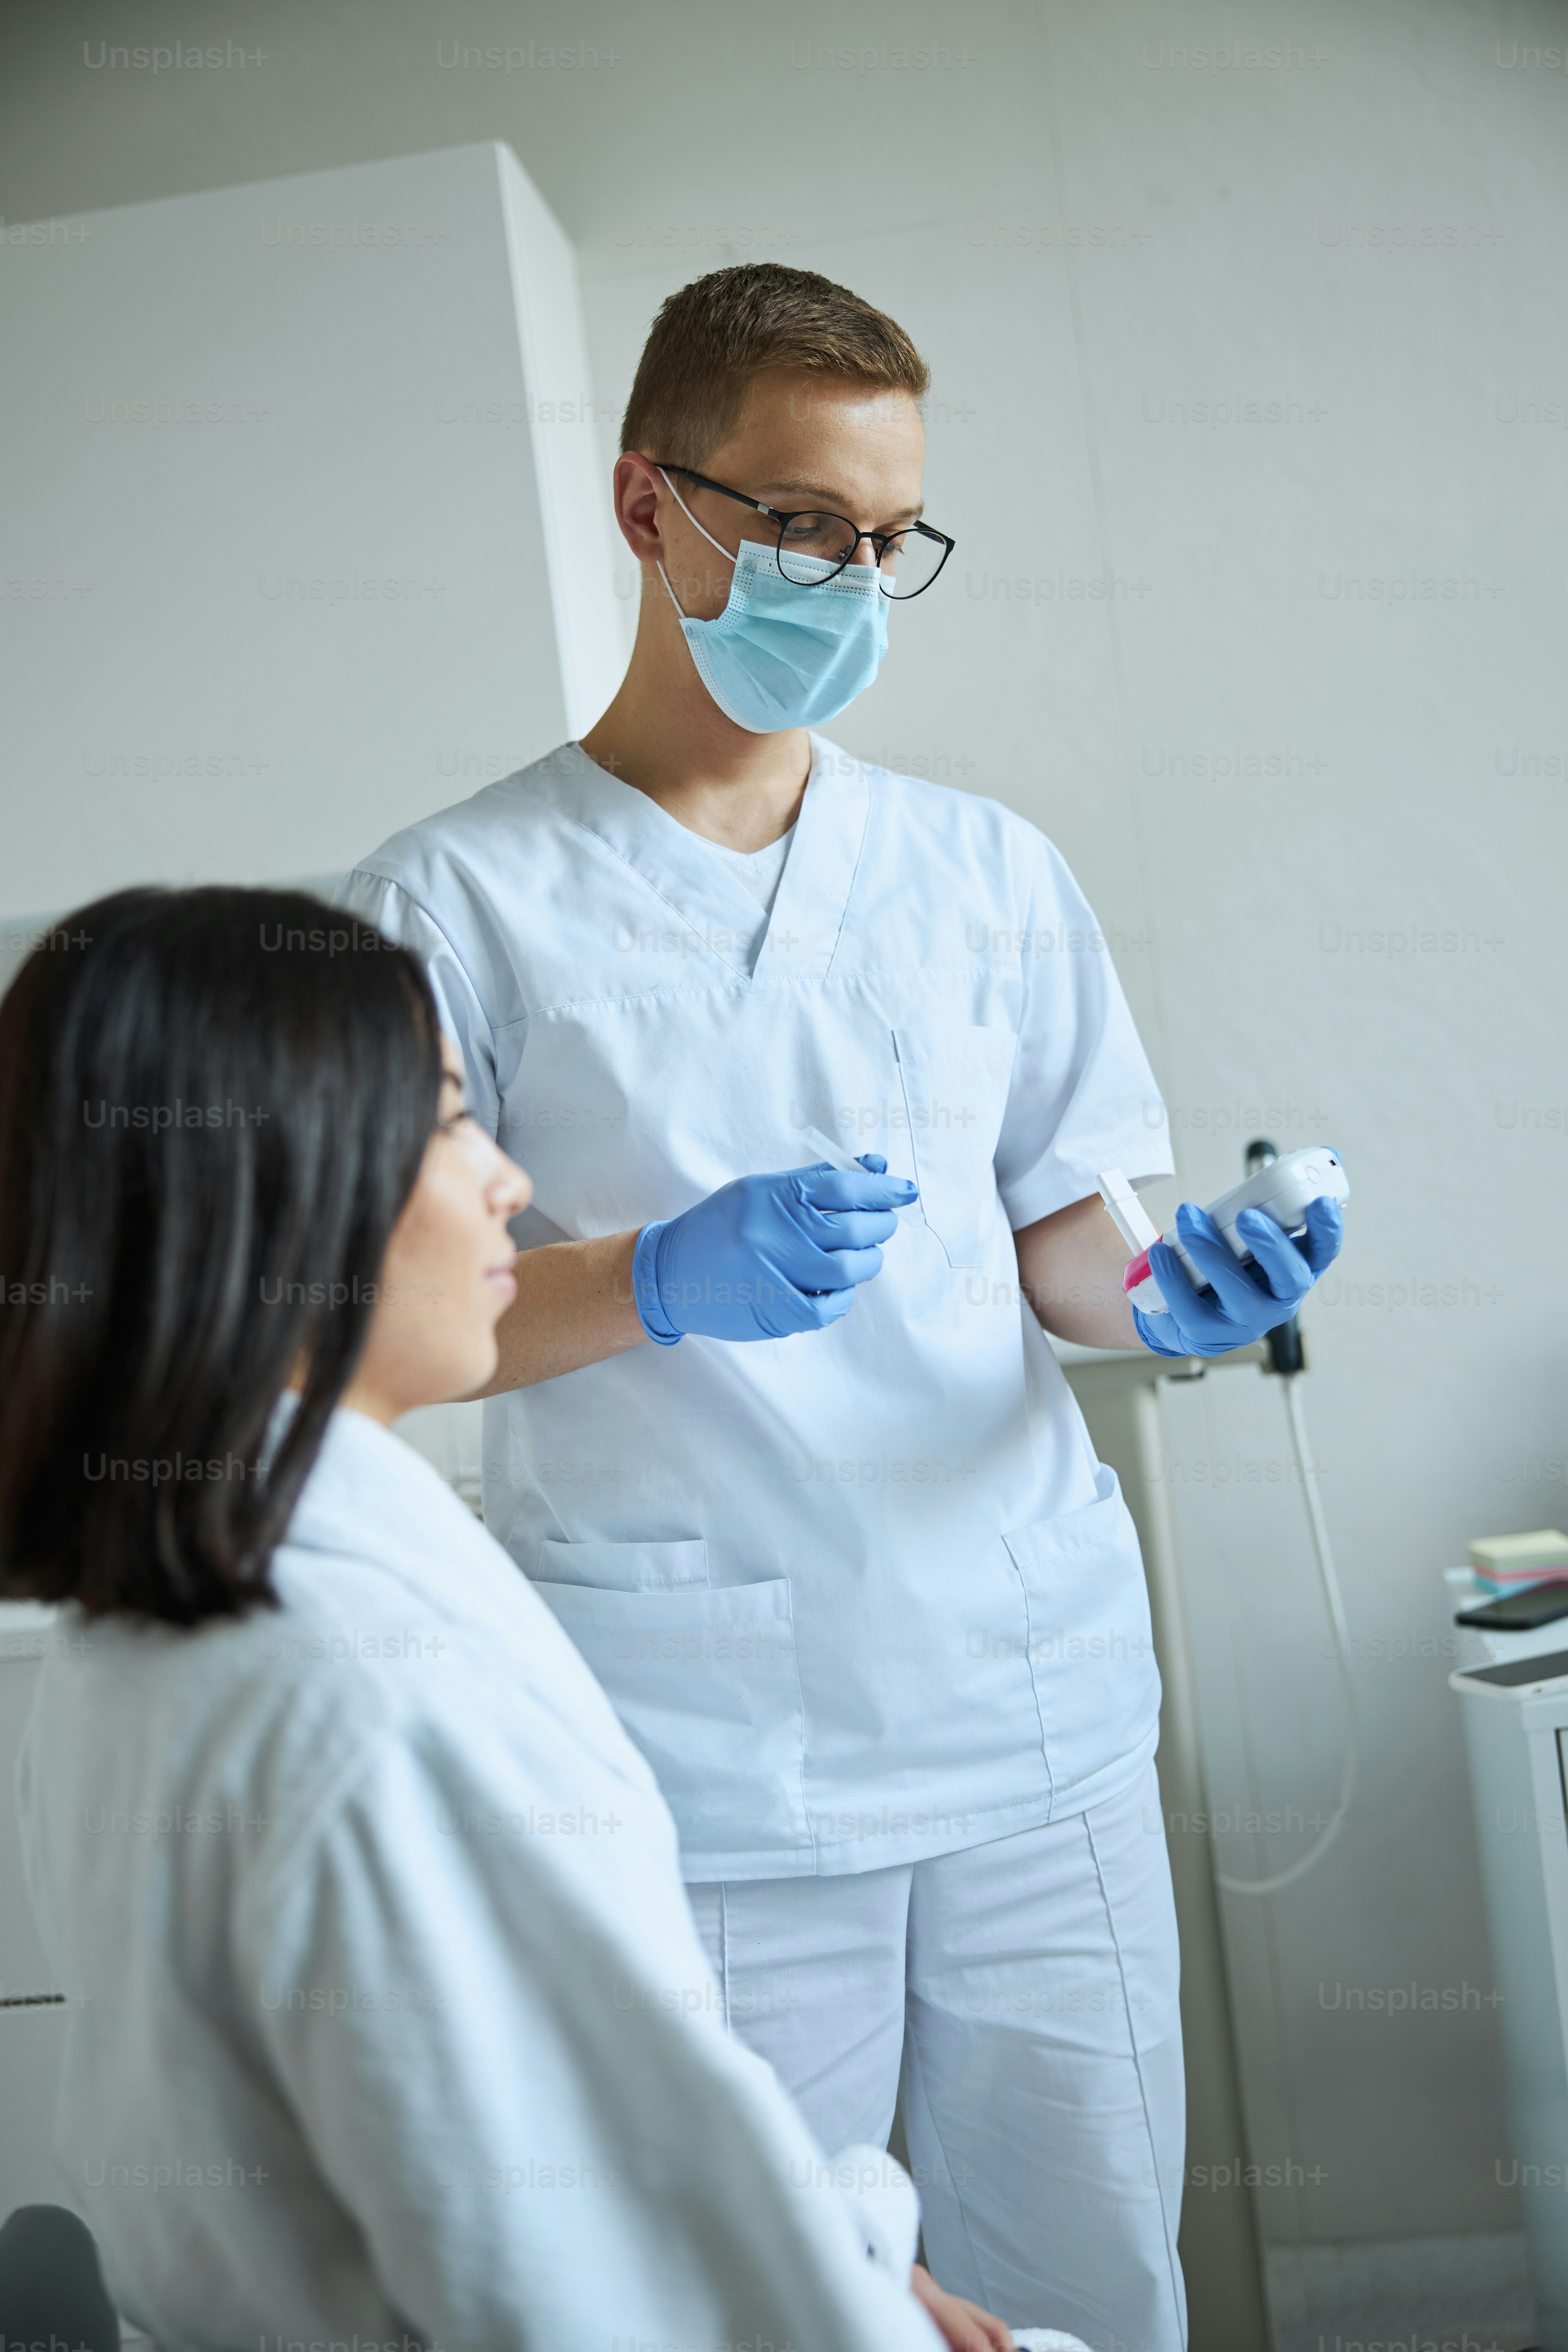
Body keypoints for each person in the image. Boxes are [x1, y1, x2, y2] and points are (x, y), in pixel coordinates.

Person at [337, 263, 1344, 2350]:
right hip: (710, 1756)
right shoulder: (445, 906)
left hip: (1024, 1708)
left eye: (889, 541)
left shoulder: (986, 873)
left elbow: (1076, 1247)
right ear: (649, 507)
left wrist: (1178, 1299)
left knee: (1091, 2279)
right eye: (798, 522)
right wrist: (656, 1278)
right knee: (765, 2308)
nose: (852, 581)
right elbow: (375, 1332)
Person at [0, 889, 1033, 2352]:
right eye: (440, 1123)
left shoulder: (144, 1614)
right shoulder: (367, 1705)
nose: (505, 1179)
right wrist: (856, 2301)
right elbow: (596, 2304)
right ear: (271, 1187)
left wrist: (833, 2260)